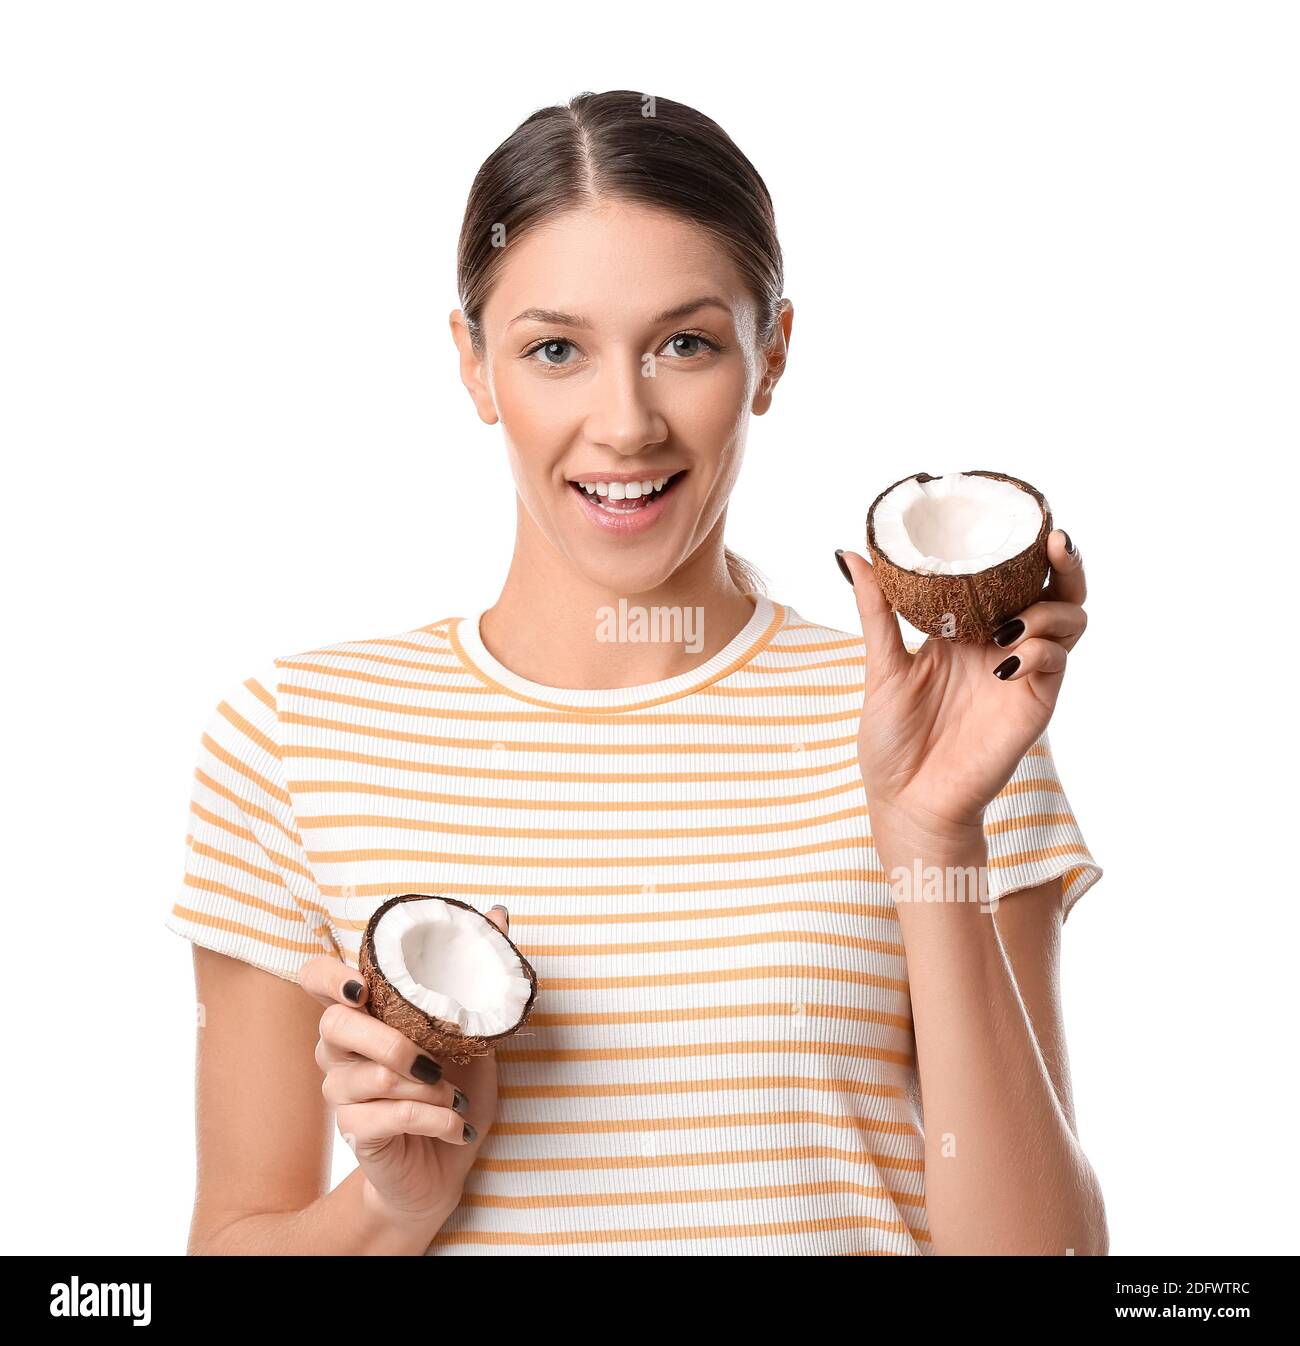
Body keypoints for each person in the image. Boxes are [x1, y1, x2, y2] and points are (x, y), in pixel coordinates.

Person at [166, 90, 1105, 1256]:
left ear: (772, 354)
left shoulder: (940, 724)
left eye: (686, 343)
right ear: (471, 365)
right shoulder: (295, 737)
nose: (624, 423)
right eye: (554, 348)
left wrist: (933, 839)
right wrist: (392, 1206)